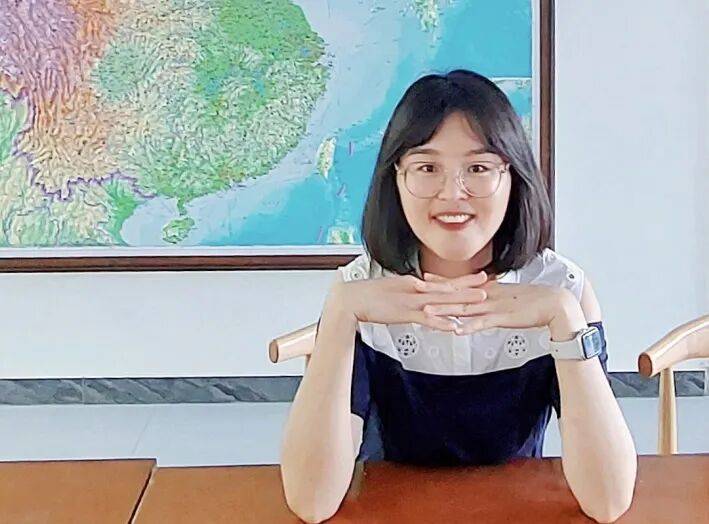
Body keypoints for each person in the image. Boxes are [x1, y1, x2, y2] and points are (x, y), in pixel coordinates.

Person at [280, 70, 637, 523]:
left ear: (513, 177)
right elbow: (311, 502)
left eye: (479, 168)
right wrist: (339, 313)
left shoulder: (563, 287)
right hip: (391, 513)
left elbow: (608, 502)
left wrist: (565, 317)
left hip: (515, 513)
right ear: (396, 178)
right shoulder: (359, 288)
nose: (452, 194)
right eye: (427, 168)